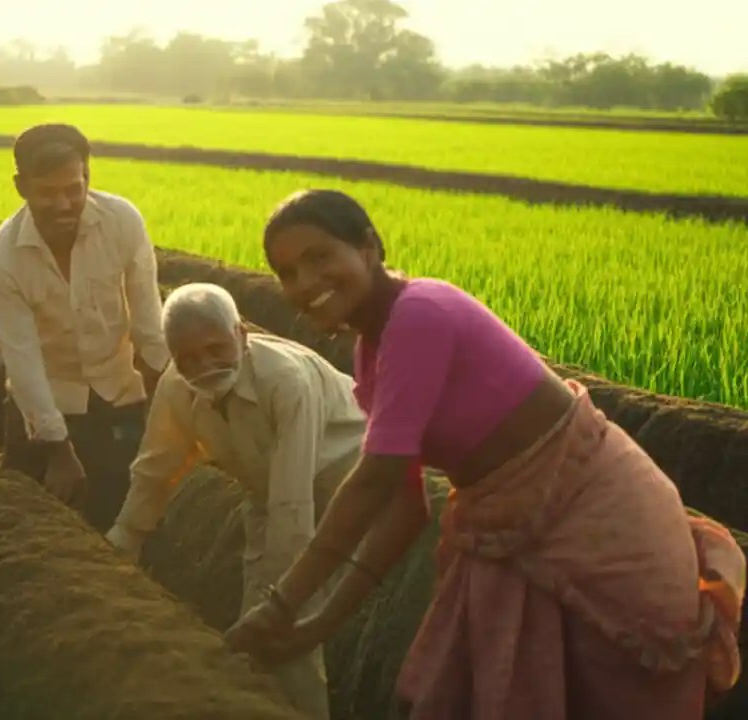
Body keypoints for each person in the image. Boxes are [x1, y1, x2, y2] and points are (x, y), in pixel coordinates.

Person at [224, 189, 746, 719]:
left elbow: (375, 478)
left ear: (369, 247)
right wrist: (314, 626)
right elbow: (406, 509)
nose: (306, 283)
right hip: (509, 529)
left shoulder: (420, 313)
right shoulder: (370, 355)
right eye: (288, 272)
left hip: (597, 518)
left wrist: (282, 603)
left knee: (611, 693)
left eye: (319, 257)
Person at [104, 282, 366, 719]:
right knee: (260, 612)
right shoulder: (176, 389)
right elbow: (155, 468)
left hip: (346, 481)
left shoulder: (286, 381)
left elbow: (294, 506)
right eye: (187, 358)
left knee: (288, 615)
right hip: (268, 489)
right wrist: (123, 542)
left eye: (215, 348)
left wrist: (278, 599)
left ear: (241, 335)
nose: (203, 365)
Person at [0, 123, 169, 532]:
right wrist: (58, 449)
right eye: (47, 193)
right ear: (21, 187)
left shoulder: (122, 222)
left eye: (73, 188)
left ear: (88, 178)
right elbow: (22, 359)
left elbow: (149, 323)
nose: (64, 204)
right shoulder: (3, 259)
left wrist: (170, 400)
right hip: (46, 399)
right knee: (40, 525)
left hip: (116, 391)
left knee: (122, 514)